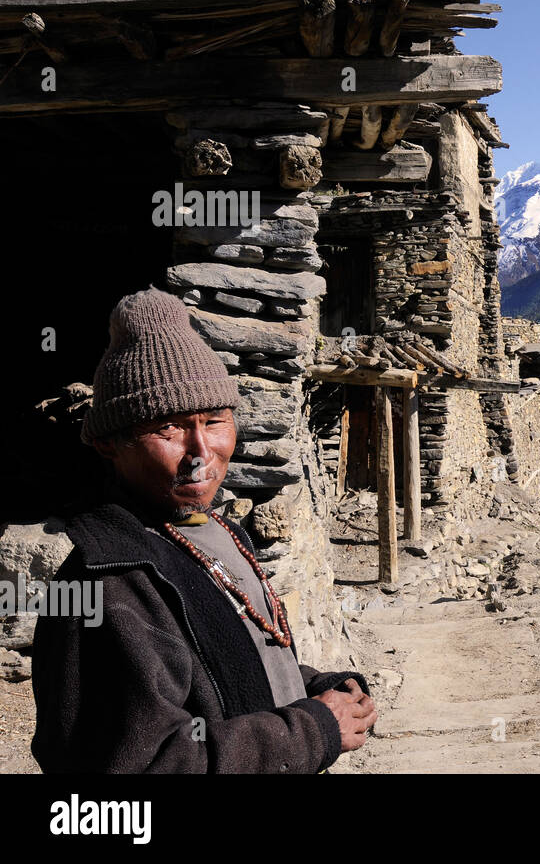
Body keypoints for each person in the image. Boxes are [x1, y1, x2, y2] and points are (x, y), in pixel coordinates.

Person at [31, 287, 376, 773]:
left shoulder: (212, 534)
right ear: (111, 443)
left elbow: (220, 673)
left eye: (215, 420)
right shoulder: (105, 586)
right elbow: (143, 768)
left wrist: (314, 689)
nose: (200, 451)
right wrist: (311, 730)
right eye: (166, 429)